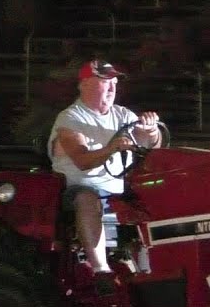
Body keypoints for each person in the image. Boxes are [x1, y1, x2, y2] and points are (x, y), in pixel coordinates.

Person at [47, 60, 161, 273]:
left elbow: (150, 147)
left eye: (114, 83)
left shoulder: (122, 115)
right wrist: (111, 148)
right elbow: (82, 161)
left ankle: (151, 263)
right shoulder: (70, 119)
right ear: (84, 84)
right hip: (77, 187)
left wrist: (151, 131)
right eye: (104, 82)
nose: (112, 88)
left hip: (117, 188)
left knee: (154, 192)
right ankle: (101, 269)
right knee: (87, 198)